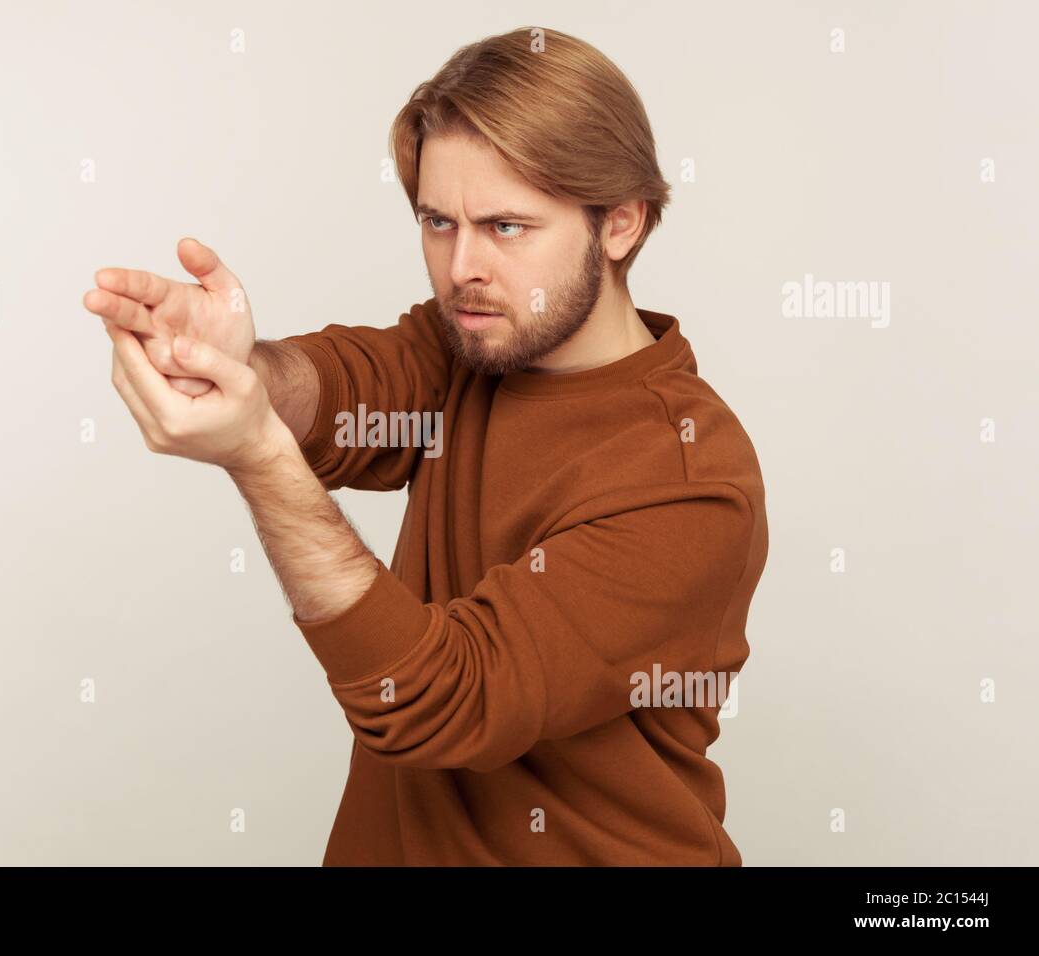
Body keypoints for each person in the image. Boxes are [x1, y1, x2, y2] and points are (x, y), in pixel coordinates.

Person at [81, 26, 768, 866]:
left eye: (507, 226)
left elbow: (443, 700)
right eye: (438, 222)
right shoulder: (474, 345)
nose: (461, 267)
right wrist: (239, 366)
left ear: (621, 224)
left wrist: (256, 455)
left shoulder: (688, 479)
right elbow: (348, 390)